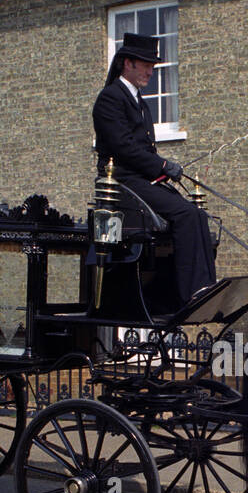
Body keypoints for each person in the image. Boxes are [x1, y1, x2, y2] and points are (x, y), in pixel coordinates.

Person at [92, 32, 216, 302]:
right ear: (128, 64)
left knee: (197, 214)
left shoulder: (140, 103)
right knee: (187, 214)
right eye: (146, 64)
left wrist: (163, 170)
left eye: (152, 65)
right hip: (123, 183)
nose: (151, 71)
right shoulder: (110, 98)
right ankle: (193, 292)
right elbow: (123, 147)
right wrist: (161, 165)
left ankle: (204, 286)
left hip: (143, 180)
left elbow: (142, 148)